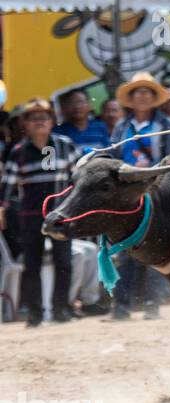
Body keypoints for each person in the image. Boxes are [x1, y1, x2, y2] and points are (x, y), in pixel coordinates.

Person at [110, 72, 170, 320]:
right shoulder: (121, 127)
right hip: (126, 198)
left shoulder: (165, 126)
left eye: (147, 92)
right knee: (123, 250)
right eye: (138, 91)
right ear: (131, 97)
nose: (142, 96)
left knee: (154, 250)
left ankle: (152, 304)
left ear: (153, 98)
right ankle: (121, 306)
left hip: (155, 195)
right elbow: (113, 158)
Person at [1, 99, 79, 327]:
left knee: (64, 262)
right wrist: (1, 209)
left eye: (44, 117)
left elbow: (79, 178)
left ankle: (61, 310)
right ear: (25, 123)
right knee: (31, 265)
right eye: (34, 118)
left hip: (62, 215)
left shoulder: (66, 145)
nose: (39, 122)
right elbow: (7, 185)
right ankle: (35, 315)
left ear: (52, 121)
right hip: (31, 217)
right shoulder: (18, 152)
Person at [53, 88, 111, 156]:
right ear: (65, 108)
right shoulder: (58, 132)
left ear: (89, 105)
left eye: (80, 102)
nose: (77, 106)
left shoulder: (100, 127)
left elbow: (107, 151)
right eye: (72, 103)